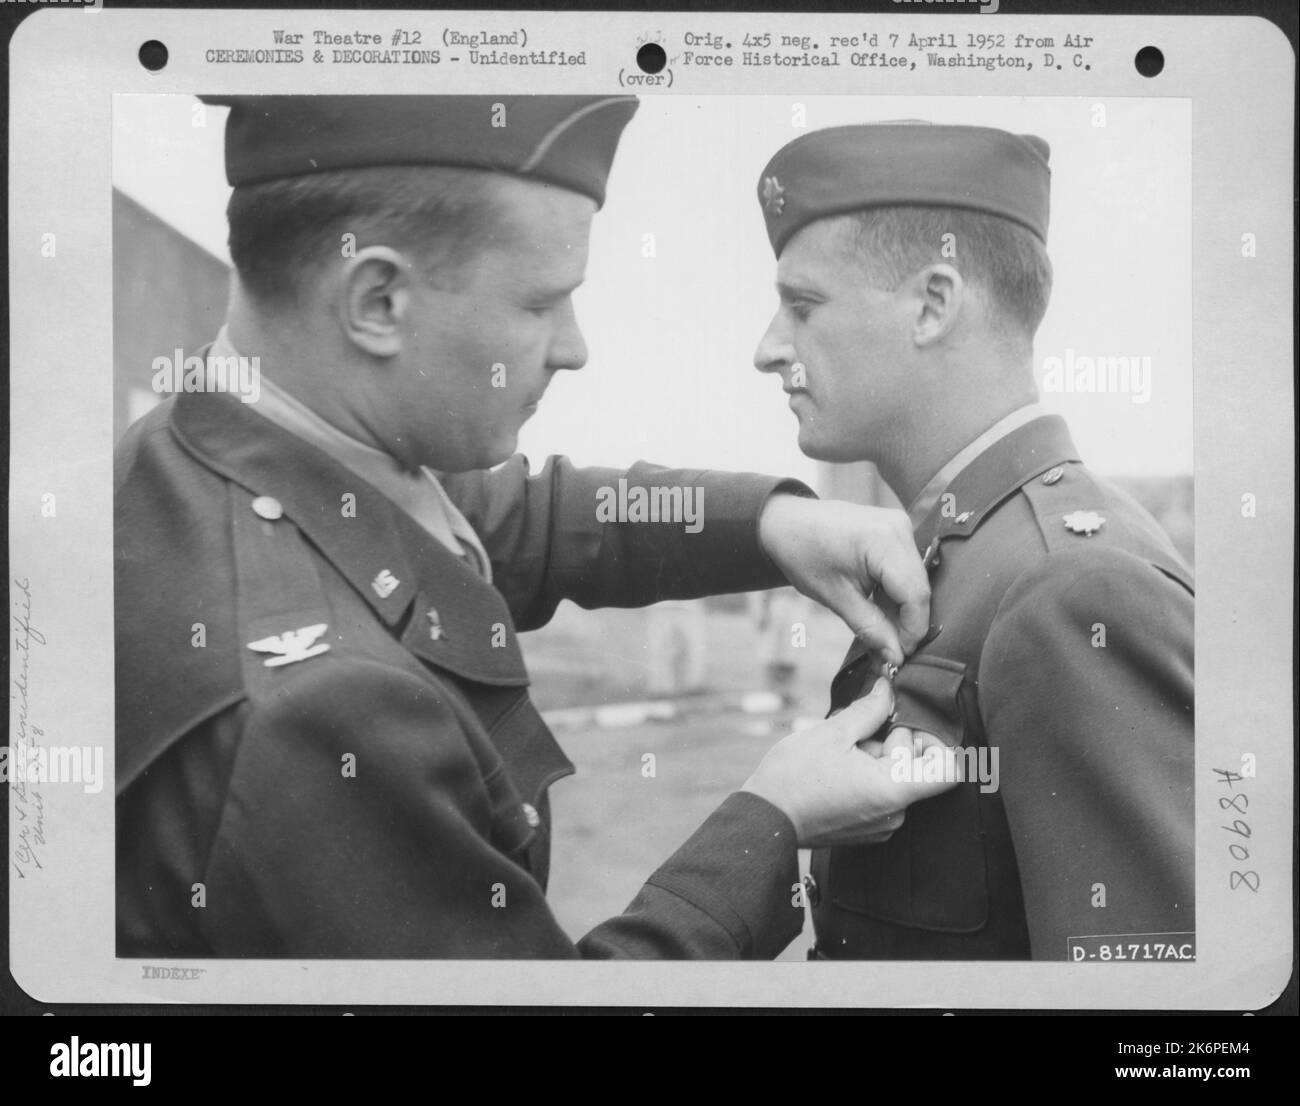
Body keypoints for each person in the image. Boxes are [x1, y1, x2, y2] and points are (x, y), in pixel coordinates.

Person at [115, 95, 948, 960]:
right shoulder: (312, 716)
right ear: (379, 300)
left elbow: (522, 520)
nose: (574, 346)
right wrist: (770, 822)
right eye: (541, 303)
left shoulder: (224, 448)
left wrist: (774, 523)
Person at [751, 121, 1194, 960]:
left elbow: (1143, 1022)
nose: (769, 349)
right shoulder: (956, 547)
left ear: (933, 304)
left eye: (802, 306)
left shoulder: (1073, 584)